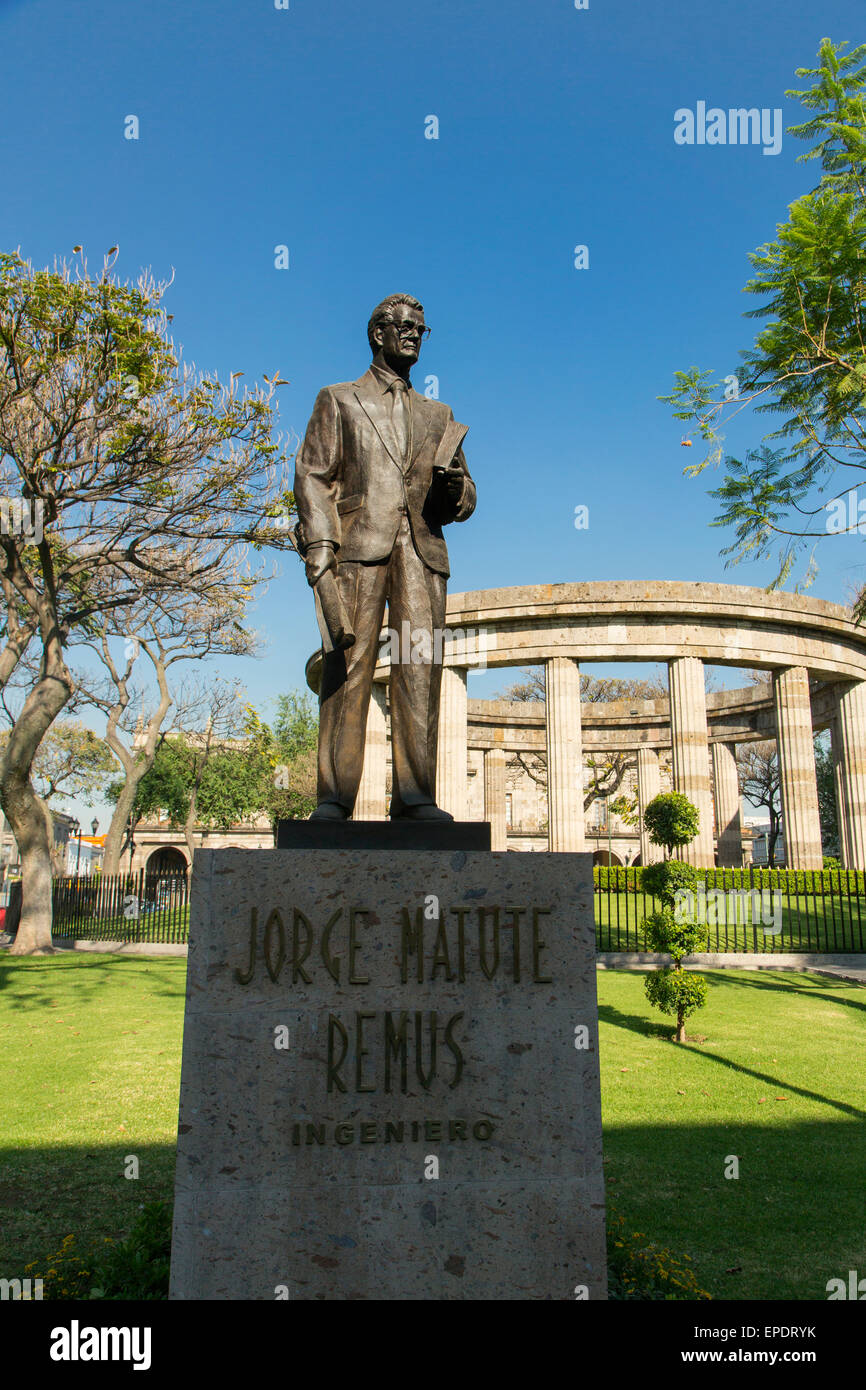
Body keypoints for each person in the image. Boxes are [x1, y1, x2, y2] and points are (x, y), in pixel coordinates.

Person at [294, 293, 476, 821]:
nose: (415, 334)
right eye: (405, 326)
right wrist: (322, 547)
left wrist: (456, 487)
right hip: (356, 549)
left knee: (422, 668)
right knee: (347, 667)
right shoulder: (339, 399)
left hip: (422, 552)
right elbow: (312, 475)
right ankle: (333, 798)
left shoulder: (439, 414)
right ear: (378, 333)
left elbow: (464, 502)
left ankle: (416, 797)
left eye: (422, 328)